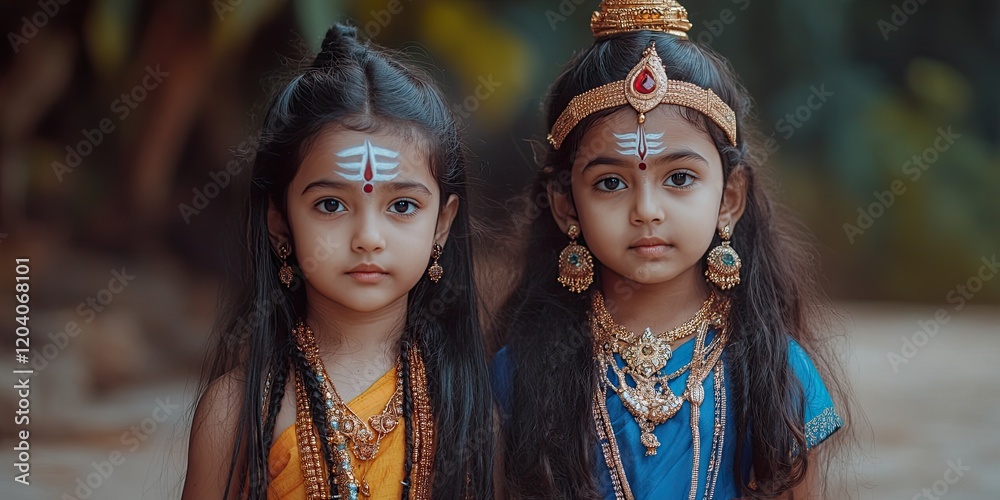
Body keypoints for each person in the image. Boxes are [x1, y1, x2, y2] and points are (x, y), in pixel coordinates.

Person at [492, 1, 847, 498]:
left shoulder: (774, 372)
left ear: (730, 197)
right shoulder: (520, 375)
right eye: (611, 182)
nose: (647, 210)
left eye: (679, 178)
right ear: (565, 205)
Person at [183, 23, 493, 500]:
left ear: (442, 224)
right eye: (331, 205)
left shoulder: (468, 408)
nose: (368, 237)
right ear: (280, 222)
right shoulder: (237, 410)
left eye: (402, 206)